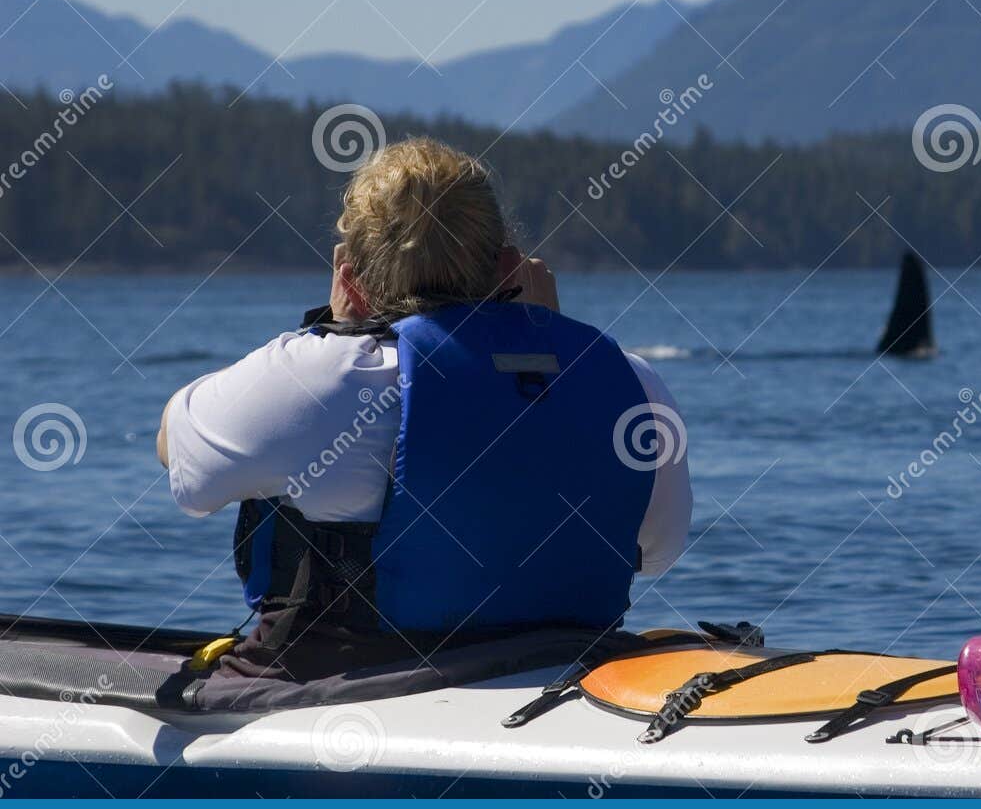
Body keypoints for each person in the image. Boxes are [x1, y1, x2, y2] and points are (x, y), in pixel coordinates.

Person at [155, 138, 692, 681]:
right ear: (509, 265)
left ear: (351, 278)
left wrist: (333, 336)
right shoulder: (632, 383)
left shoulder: (328, 378)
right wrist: (545, 351)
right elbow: (659, 550)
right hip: (565, 671)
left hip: (361, 688)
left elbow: (179, 458)